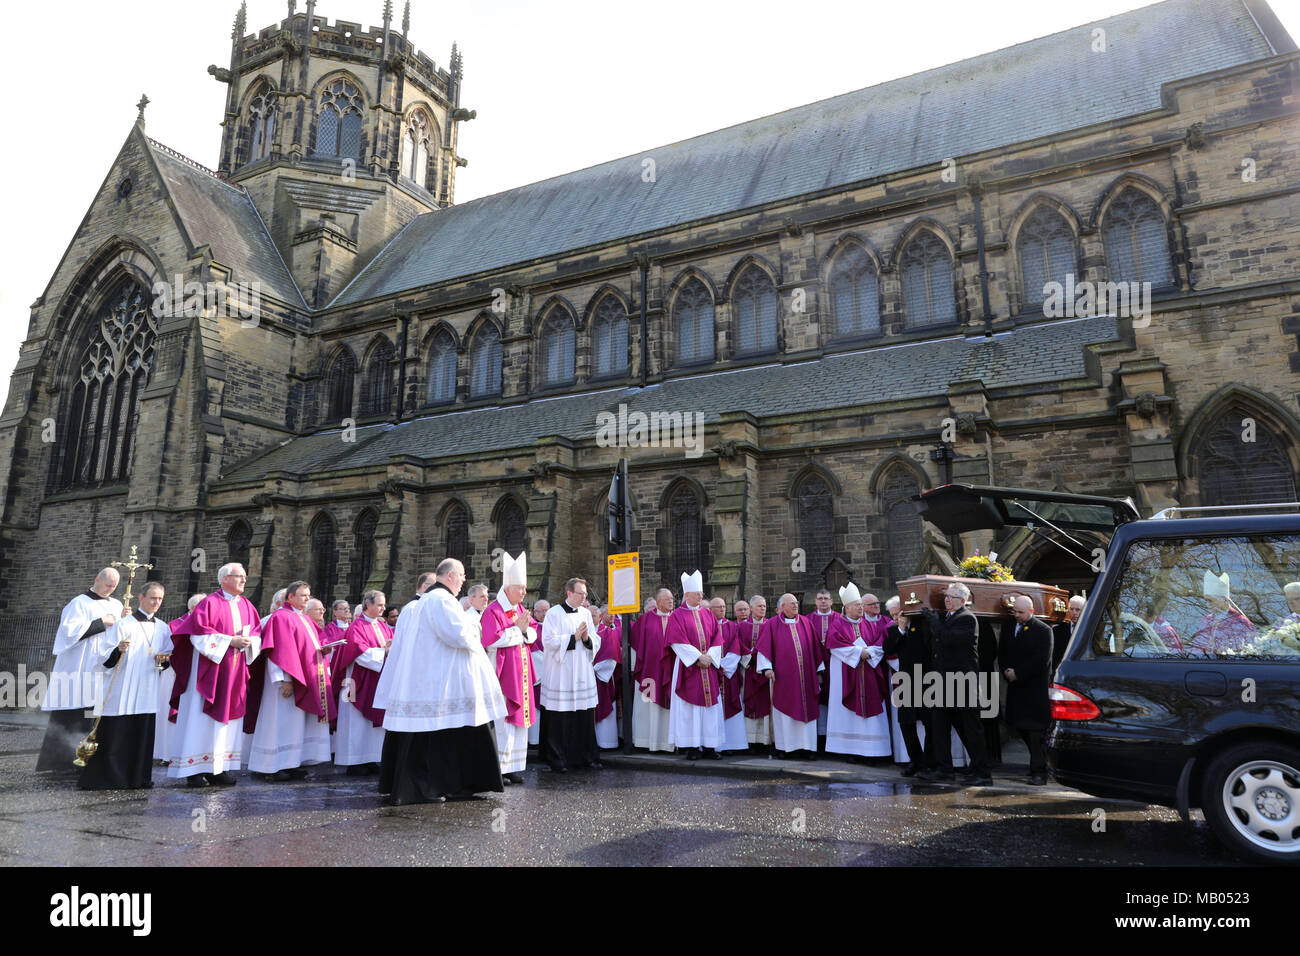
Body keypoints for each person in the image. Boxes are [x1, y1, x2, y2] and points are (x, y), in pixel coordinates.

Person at [375, 558, 505, 804]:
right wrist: (475, 625)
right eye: (462, 574)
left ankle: (438, 786)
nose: (464, 580)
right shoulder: (442, 600)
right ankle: (429, 788)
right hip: (439, 680)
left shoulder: (426, 601)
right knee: (435, 736)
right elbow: (458, 635)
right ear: (450, 576)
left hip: (432, 677)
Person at [167, 563, 262, 787]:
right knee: (201, 719)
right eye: (240, 577)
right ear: (225, 579)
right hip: (208, 672)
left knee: (229, 720)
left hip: (235, 671)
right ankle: (194, 770)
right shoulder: (210, 603)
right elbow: (197, 635)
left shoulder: (248, 606)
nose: (244, 581)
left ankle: (218, 768)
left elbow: (257, 632)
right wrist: (230, 641)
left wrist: (249, 643)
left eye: (245, 577)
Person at [76, 581, 174, 790]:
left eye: (160, 599)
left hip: (147, 689)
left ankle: (138, 778)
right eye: (152, 598)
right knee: (116, 735)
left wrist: (164, 661)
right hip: (122, 688)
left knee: (141, 734)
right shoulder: (124, 624)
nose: (156, 602)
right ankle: (110, 779)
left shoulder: (164, 628)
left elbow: (167, 657)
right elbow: (102, 656)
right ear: (141, 598)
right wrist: (118, 650)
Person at [244, 581, 334, 781]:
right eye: (303, 595)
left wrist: (325, 648)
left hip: (302, 678)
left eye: (308, 595)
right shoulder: (281, 618)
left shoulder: (303, 618)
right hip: (285, 681)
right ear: (290, 597)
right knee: (279, 722)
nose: (307, 599)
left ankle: (291, 762)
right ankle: (271, 766)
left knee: (295, 724)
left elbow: (314, 644)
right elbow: (279, 652)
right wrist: (284, 679)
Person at [37, 567, 124, 773]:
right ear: (96, 580)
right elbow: (68, 634)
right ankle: (61, 762)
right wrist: (101, 622)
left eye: (114, 586)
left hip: (101, 668)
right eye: (107, 585)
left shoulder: (118, 605)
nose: (110, 589)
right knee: (72, 713)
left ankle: (89, 759)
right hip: (77, 669)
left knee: (92, 714)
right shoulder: (78, 603)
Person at [919, 583, 992, 786]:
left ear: (962, 600)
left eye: (951, 597)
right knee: (939, 729)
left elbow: (947, 638)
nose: (947, 600)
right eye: (946, 596)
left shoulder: (967, 618)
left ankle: (982, 773)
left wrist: (934, 622)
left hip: (962, 683)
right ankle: (944, 770)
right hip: (943, 682)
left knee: (971, 730)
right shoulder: (947, 618)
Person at [480, 553, 538, 784]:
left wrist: (523, 631)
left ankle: (514, 766)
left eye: (524, 589)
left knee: (520, 721)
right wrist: (517, 631)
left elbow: (533, 633)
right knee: (504, 720)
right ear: (507, 588)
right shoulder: (493, 611)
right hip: (502, 673)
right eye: (520, 588)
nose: (524, 593)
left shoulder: (519, 609)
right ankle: (499, 768)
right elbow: (490, 640)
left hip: (520, 671)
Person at [539, 578, 602, 772]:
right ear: (569, 593)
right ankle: (558, 759)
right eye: (580, 593)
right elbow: (547, 641)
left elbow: (595, 639)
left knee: (584, 717)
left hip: (582, 670)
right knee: (560, 718)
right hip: (562, 673)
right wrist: (572, 638)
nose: (584, 597)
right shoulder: (553, 614)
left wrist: (586, 638)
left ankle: (586, 757)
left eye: (585, 594)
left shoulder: (585, 613)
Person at [824, 584, 892, 762]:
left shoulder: (870, 624)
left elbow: (880, 643)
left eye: (862, 605)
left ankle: (873, 752)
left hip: (869, 673)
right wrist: (857, 653)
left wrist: (869, 652)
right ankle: (850, 750)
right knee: (847, 714)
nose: (861, 608)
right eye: (857, 605)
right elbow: (834, 646)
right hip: (846, 673)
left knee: (872, 707)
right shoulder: (838, 624)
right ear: (847, 608)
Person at [666, 571, 725, 760]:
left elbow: (718, 638)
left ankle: (709, 746)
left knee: (709, 708)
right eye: (697, 593)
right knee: (689, 709)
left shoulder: (707, 614)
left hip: (708, 668)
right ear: (687, 595)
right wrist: (698, 657)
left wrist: (710, 656)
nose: (701, 596)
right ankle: (691, 747)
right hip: (688, 667)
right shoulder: (676, 615)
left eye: (701, 593)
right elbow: (676, 640)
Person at [756, 594, 823, 758]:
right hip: (784, 678)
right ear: (782, 606)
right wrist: (766, 669)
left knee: (808, 711)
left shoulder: (806, 623)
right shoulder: (772, 625)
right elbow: (764, 650)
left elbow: (816, 648)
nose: (795, 606)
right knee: (785, 711)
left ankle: (808, 749)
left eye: (796, 603)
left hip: (806, 678)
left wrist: (819, 671)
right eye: (791, 603)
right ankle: (785, 748)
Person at [332, 590, 391, 775]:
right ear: (368, 605)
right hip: (357, 682)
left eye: (384, 605)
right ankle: (354, 761)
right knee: (356, 722)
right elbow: (359, 652)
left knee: (374, 723)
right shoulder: (356, 626)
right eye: (380, 605)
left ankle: (372, 758)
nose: (383, 608)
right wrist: (384, 652)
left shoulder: (383, 626)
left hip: (377, 679)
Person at [999, 595, 1053, 785]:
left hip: (1033, 688)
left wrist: (1018, 673)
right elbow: (1003, 651)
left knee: (1035, 731)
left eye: (1021, 612)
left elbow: (1042, 660)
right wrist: (1006, 670)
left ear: (1031, 611)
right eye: (1015, 612)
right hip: (1015, 687)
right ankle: (1037, 764)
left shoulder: (1043, 630)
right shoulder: (1008, 626)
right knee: (1019, 727)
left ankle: (1039, 771)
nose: (1017, 616)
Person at [883, 596, 936, 776]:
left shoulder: (923, 625)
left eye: (898, 614)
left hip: (927, 680)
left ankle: (929, 763)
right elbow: (888, 649)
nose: (896, 618)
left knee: (930, 723)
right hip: (906, 681)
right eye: (893, 616)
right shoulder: (894, 630)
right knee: (906, 723)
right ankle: (916, 761)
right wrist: (900, 628)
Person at [631, 588, 675, 751]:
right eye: (667, 599)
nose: (671, 601)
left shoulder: (676, 618)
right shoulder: (645, 620)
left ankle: (668, 744)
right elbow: (635, 646)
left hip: (671, 671)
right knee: (648, 705)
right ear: (658, 602)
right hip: (649, 671)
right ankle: (646, 741)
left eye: (672, 598)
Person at [1189, 570, 1256, 656]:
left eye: (1210, 600)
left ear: (1225, 599)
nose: (1207, 605)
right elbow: (1196, 649)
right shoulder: (1205, 621)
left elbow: (1248, 653)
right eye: (1206, 600)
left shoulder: (1242, 623)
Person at [714, 597, 749, 754]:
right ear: (711, 610)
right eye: (718, 607)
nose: (722, 609)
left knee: (731, 705)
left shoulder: (732, 626)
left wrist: (723, 666)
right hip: (711, 674)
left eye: (723, 606)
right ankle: (714, 745)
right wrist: (714, 665)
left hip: (729, 675)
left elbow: (736, 648)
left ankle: (730, 745)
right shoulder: (706, 625)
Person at [738, 594, 771, 749]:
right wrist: (748, 658)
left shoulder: (771, 625)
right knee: (749, 700)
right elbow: (737, 644)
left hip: (765, 672)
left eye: (764, 606)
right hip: (748, 669)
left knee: (765, 702)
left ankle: (764, 740)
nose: (762, 608)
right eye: (759, 606)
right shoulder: (742, 626)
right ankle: (750, 740)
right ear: (751, 608)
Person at [807, 587, 836, 750]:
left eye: (826, 598)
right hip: (814, 666)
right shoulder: (807, 620)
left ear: (832, 601)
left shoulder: (840, 619)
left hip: (836, 667)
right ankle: (819, 739)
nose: (823, 601)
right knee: (818, 701)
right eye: (820, 598)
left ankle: (834, 738)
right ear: (815, 601)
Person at [594, 605, 623, 750]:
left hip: (602, 677)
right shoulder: (582, 632)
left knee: (605, 705)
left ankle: (606, 742)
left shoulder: (608, 632)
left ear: (599, 617)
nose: (592, 618)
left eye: (594, 615)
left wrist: (593, 669)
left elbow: (612, 656)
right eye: (590, 615)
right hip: (585, 679)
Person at [528, 599, 549, 747]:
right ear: (535, 612)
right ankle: (535, 740)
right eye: (540, 611)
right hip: (539, 675)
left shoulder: (554, 626)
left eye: (546, 610)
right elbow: (532, 650)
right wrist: (549, 665)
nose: (543, 614)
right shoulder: (531, 628)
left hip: (554, 676)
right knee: (537, 707)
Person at [1051, 595, 1085, 672]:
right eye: (1071, 609)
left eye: (1078, 610)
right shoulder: (1057, 630)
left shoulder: (1090, 629)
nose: (1074, 613)